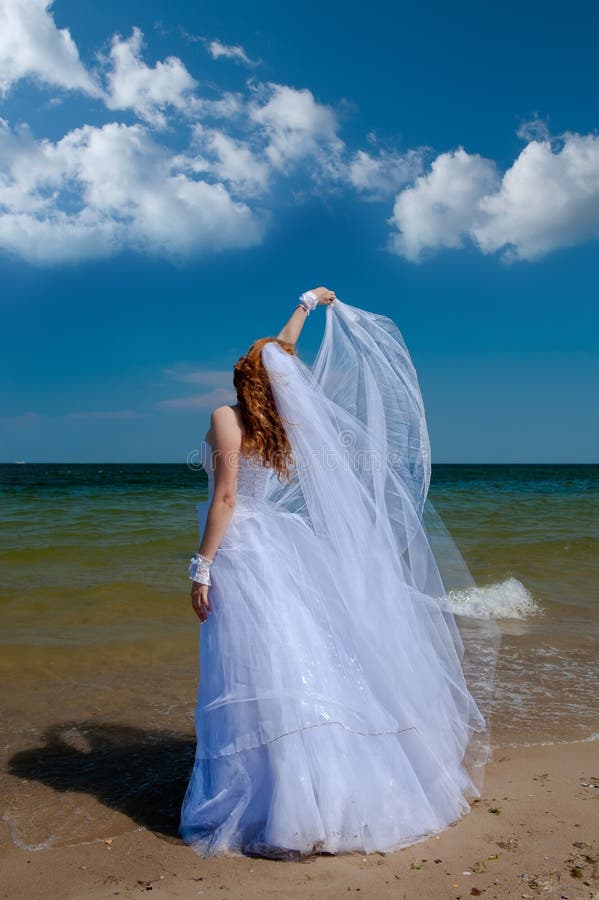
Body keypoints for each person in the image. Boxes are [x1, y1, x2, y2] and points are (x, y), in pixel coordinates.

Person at [180, 287, 500, 859]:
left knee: (255, 667)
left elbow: (225, 499)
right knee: (294, 658)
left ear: (239, 378)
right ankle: (318, 788)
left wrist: (201, 567)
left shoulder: (225, 417)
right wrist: (305, 305)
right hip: (275, 543)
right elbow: (279, 350)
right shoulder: (280, 425)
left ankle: (275, 800)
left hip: (243, 548)